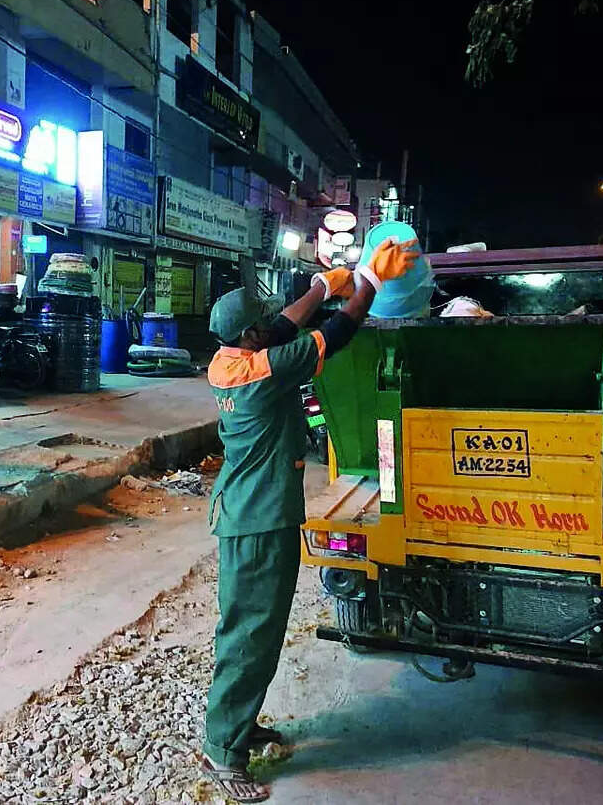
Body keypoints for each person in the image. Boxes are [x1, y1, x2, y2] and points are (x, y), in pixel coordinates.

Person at [199, 238, 419, 803]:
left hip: (250, 514)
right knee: (249, 633)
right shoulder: (264, 370)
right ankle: (223, 749)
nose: (270, 325)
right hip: (257, 521)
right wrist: (370, 279)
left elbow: (279, 327)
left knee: (258, 628)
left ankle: (238, 726)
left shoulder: (230, 359)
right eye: (262, 323)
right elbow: (337, 333)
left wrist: (322, 285)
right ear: (250, 336)